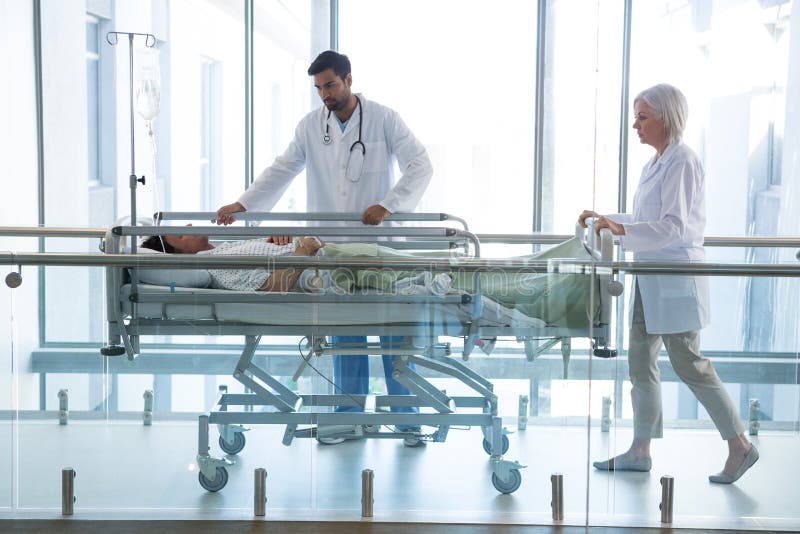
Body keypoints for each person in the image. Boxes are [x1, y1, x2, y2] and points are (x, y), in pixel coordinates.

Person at [213, 50, 433, 445]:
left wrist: (388, 205)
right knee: (346, 335)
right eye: (318, 88)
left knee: (392, 332)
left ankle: (408, 420)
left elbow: (420, 163)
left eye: (330, 85)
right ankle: (348, 417)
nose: (324, 95)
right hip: (331, 250)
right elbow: (282, 169)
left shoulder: (384, 119)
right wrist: (244, 204)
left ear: (349, 79)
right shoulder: (311, 127)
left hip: (378, 247)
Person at [578, 84, 757, 484]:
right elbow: (645, 217)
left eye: (643, 116)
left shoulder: (683, 161)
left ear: (666, 117)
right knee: (640, 363)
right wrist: (605, 218)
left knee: (689, 364)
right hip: (650, 281)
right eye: (636, 116)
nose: (636, 125)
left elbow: (673, 227)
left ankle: (740, 446)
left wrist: (619, 227)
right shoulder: (654, 163)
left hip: (675, 280)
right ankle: (640, 449)